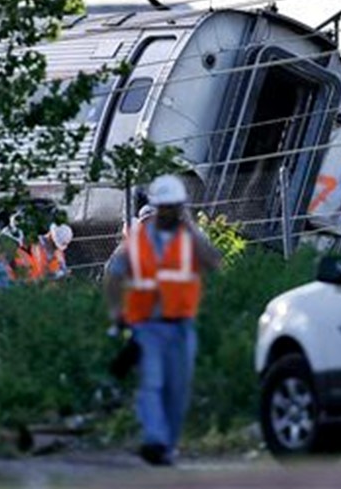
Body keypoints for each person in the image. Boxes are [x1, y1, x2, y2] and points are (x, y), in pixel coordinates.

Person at [104, 175, 222, 466]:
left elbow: (214, 263)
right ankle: (155, 441)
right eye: (164, 206)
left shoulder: (189, 238)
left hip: (182, 325)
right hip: (147, 325)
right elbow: (114, 274)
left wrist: (192, 228)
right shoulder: (138, 241)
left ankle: (167, 444)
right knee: (152, 384)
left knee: (177, 388)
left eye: (174, 207)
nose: (169, 212)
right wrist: (117, 312)